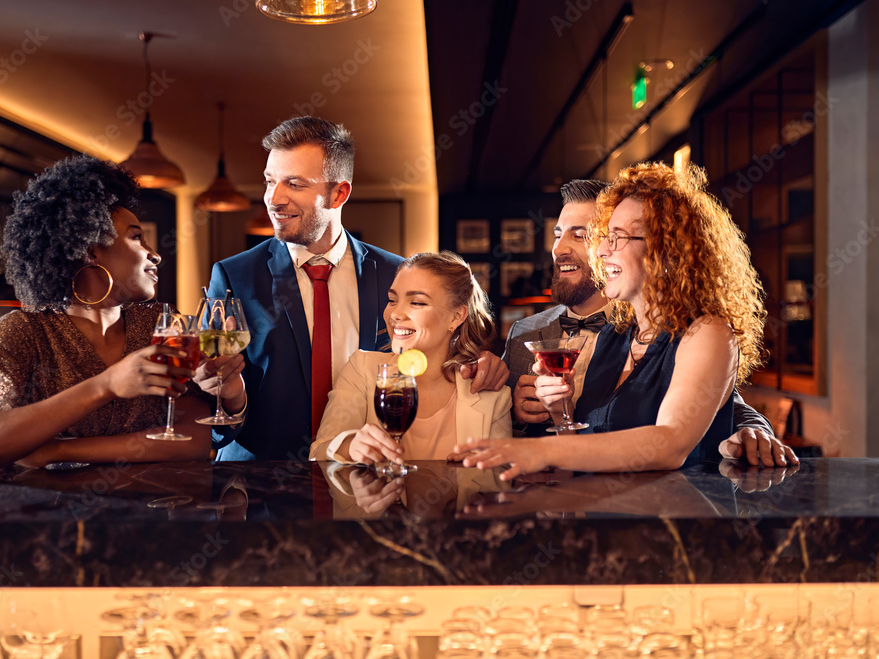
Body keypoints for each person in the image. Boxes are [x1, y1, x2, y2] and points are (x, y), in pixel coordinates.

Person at [202, 117, 507, 461]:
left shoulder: (397, 277)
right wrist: (229, 395)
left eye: (295, 184)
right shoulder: (232, 276)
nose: (273, 198)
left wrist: (476, 363)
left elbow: (427, 359)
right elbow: (214, 412)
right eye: (270, 181)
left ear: (339, 193)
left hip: (366, 478)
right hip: (261, 490)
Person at [461, 162, 770, 478]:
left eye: (617, 237)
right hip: (608, 520)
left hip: (681, 521)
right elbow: (582, 452)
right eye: (604, 236)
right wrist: (558, 411)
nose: (602, 250)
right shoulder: (612, 337)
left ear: (666, 252)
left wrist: (541, 450)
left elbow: (670, 444)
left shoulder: (708, 332)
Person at [0, 155, 217, 476]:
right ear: (91, 250)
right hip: (45, 518)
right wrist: (105, 386)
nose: (154, 253)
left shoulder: (161, 323)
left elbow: (195, 439)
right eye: (136, 237)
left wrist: (58, 450)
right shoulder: (24, 331)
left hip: (147, 516)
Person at [310, 251, 512, 465]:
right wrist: (348, 446)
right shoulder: (361, 369)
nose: (395, 313)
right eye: (392, 300)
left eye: (417, 303)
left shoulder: (492, 396)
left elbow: (502, 481)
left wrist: (486, 469)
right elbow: (318, 452)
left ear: (456, 316)